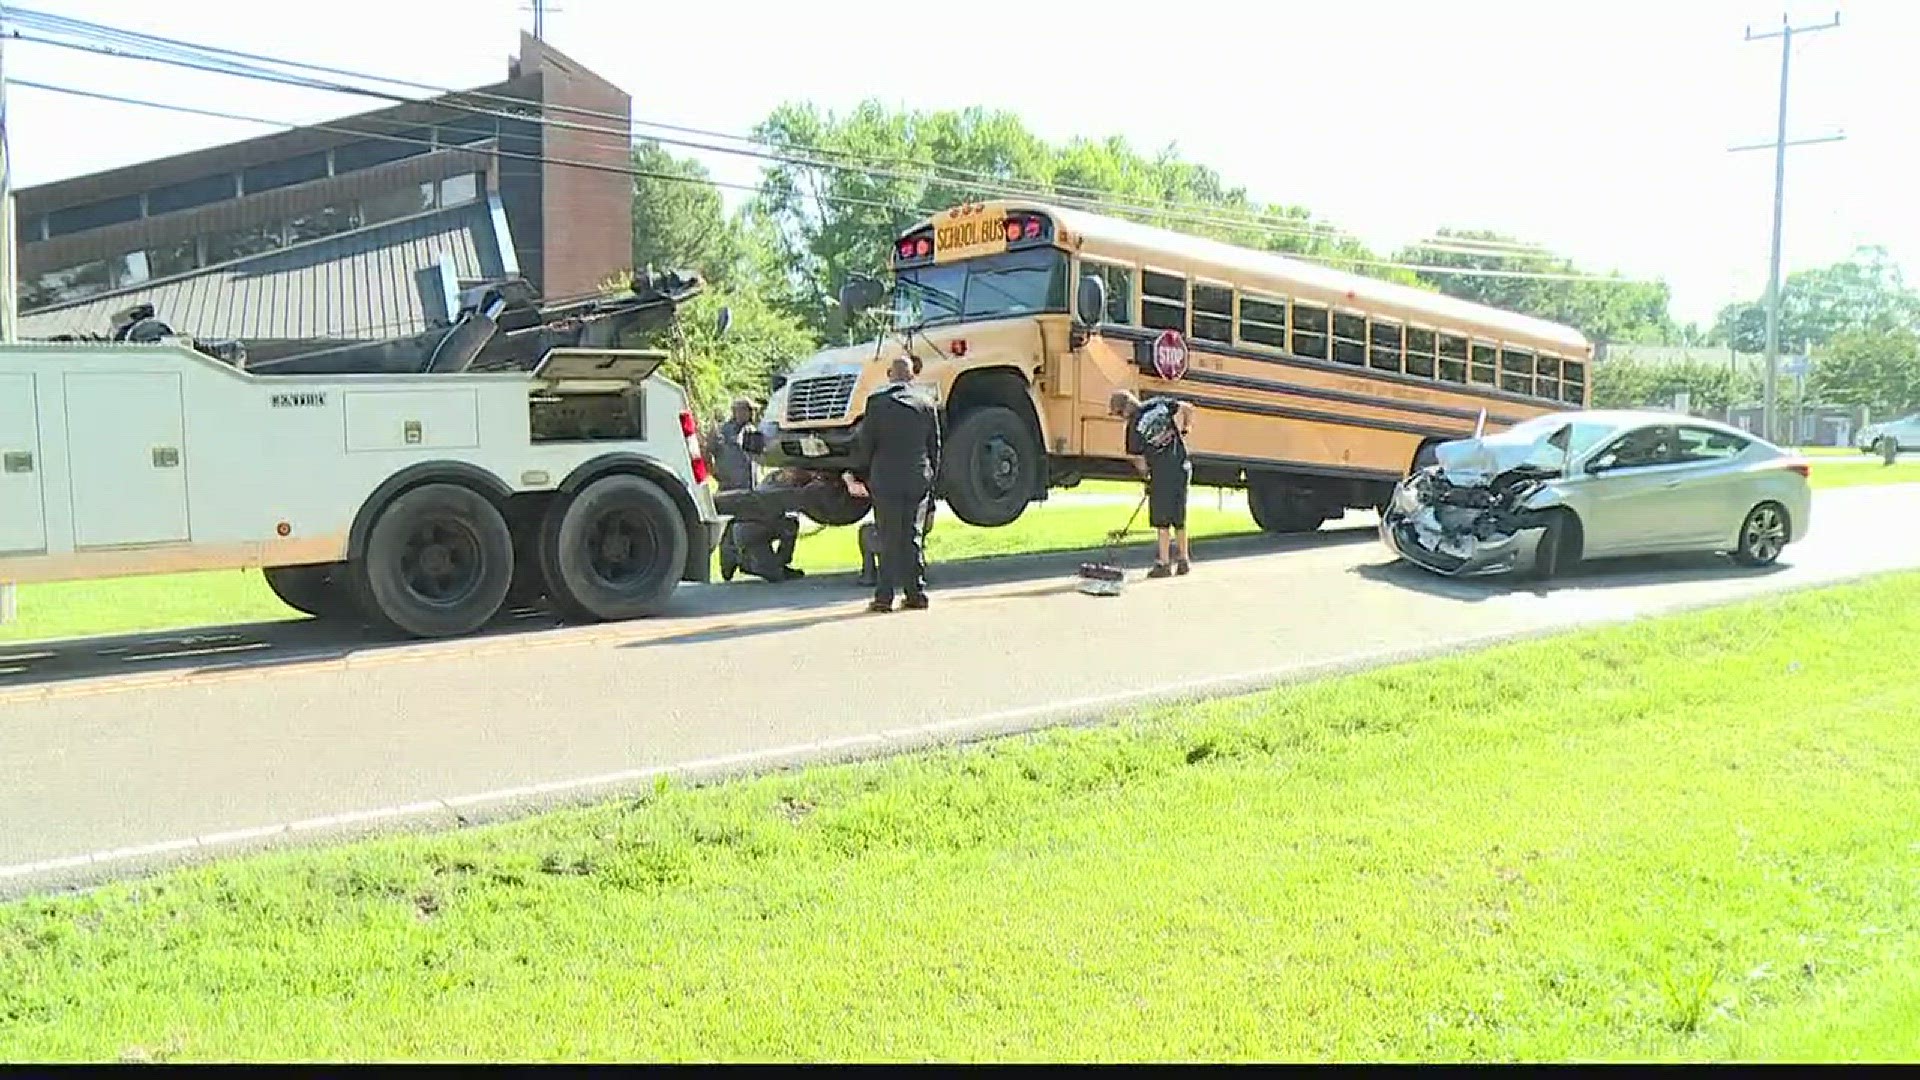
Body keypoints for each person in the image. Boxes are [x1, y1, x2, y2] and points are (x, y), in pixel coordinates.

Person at [848, 356, 940, 612]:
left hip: (886, 477)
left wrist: (861, 474)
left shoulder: (877, 403)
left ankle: (884, 596)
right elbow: (935, 445)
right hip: (916, 475)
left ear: (890, 374)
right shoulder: (926, 402)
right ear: (912, 376)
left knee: (888, 535)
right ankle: (916, 592)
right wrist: (932, 475)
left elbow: (867, 444)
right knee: (913, 534)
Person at [1110, 389, 1196, 577]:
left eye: (1118, 413)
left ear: (1125, 409)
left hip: (1161, 474)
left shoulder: (1133, 428)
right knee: (1179, 517)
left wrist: (1146, 476)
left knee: (1162, 520)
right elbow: (1188, 408)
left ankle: (1164, 563)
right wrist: (1186, 428)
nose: (1120, 417)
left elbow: (1138, 460)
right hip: (1181, 467)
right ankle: (1183, 560)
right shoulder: (1158, 403)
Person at [704, 397, 758, 494]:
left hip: (750, 489)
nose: (751, 414)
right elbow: (707, 454)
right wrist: (716, 474)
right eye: (748, 410)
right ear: (736, 411)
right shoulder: (721, 432)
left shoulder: (752, 431)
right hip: (728, 489)